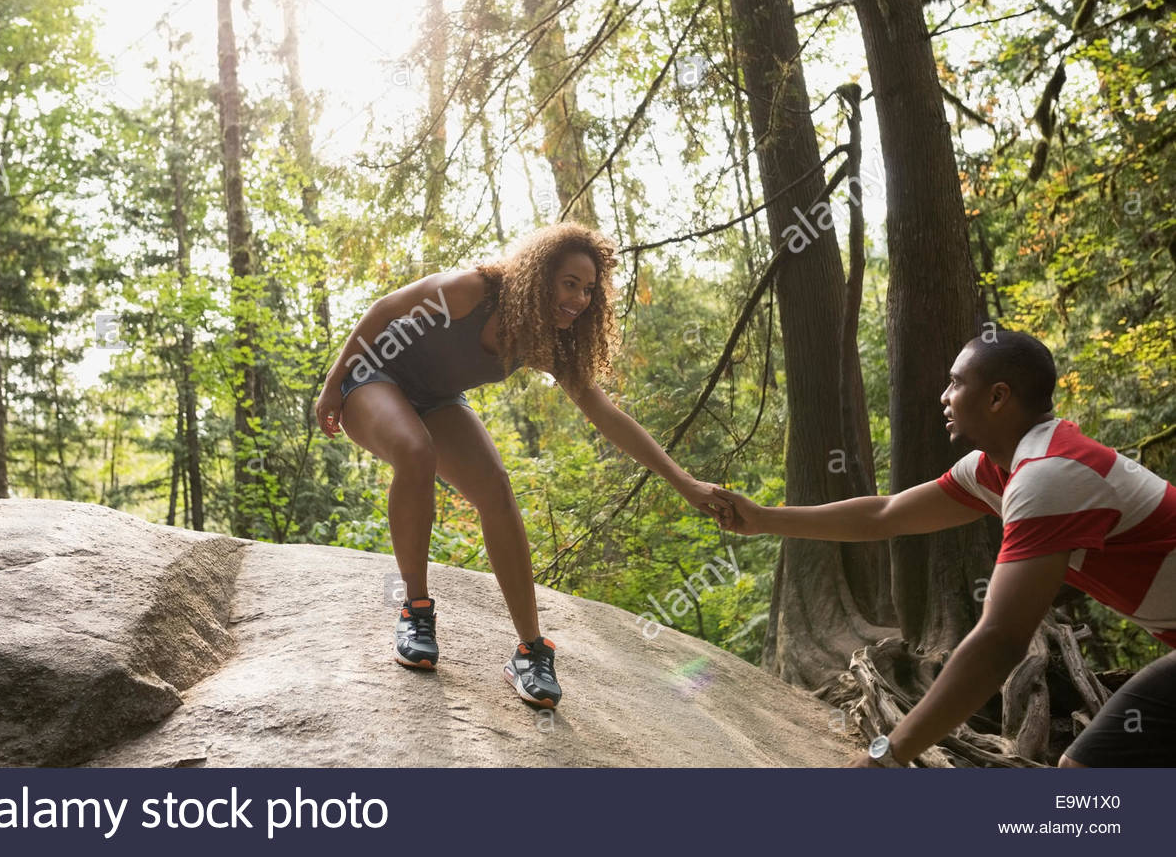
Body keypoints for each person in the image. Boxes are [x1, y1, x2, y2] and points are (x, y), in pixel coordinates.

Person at [314, 222, 734, 709]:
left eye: (588, 290)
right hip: (370, 378)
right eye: (569, 283)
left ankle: (530, 651)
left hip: (433, 399)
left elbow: (608, 417)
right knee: (416, 451)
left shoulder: (547, 344)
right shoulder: (472, 291)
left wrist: (684, 484)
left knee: (496, 489)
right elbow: (384, 310)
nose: (578, 299)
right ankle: (416, 609)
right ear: (540, 276)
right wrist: (333, 381)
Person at [711, 330, 1175, 767]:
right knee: (1084, 768)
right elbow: (886, 514)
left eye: (955, 382)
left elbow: (1000, 642)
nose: (944, 396)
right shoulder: (998, 468)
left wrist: (889, 753)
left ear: (997, 397)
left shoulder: (1049, 477)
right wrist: (763, 518)